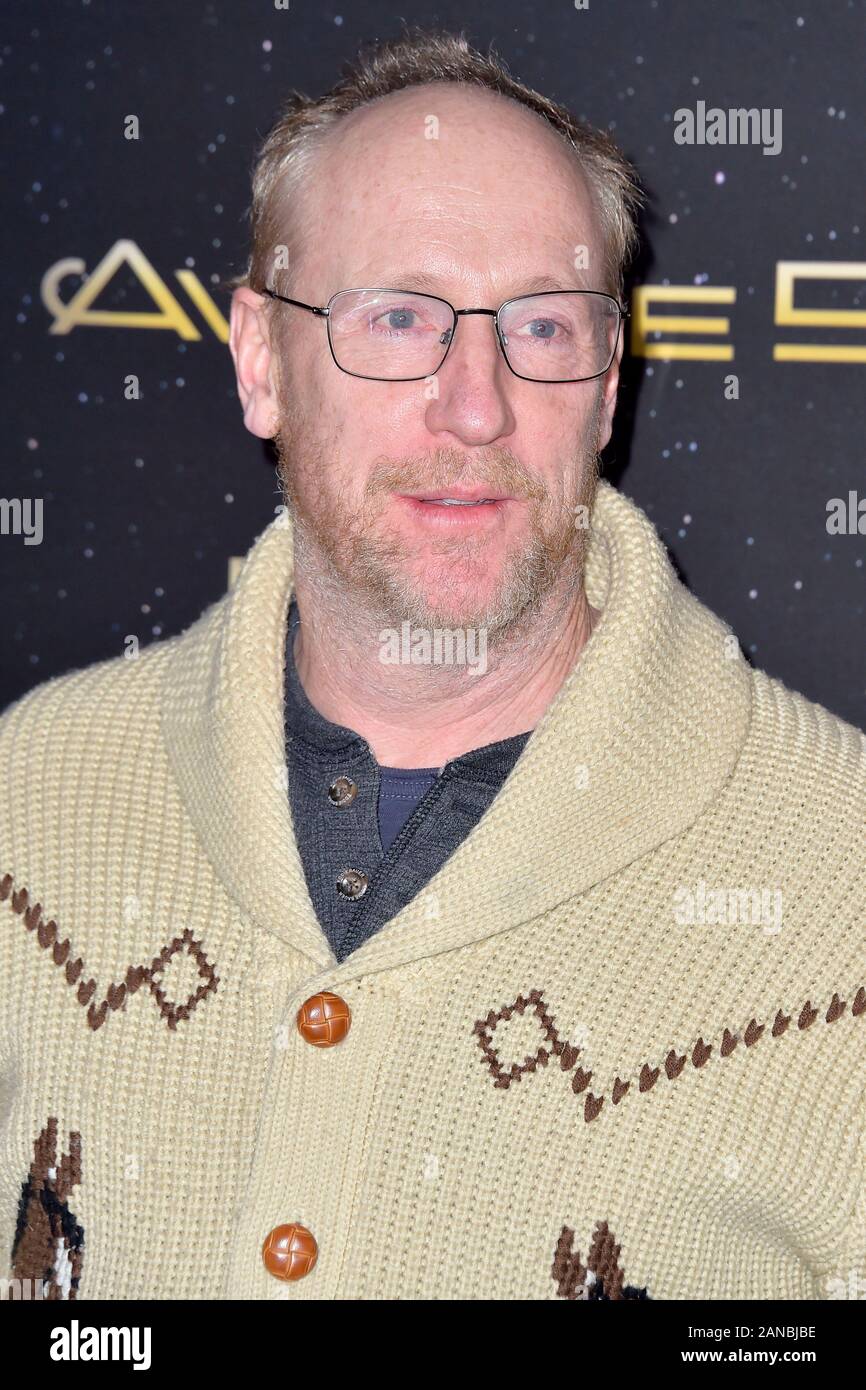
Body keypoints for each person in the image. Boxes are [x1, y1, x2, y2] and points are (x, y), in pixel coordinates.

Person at [1, 28, 864, 1303]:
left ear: (608, 385)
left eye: (543, 326)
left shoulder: (839, 882)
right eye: (397, 318)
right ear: (259, 361)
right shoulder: (31, 796)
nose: (476, 405)